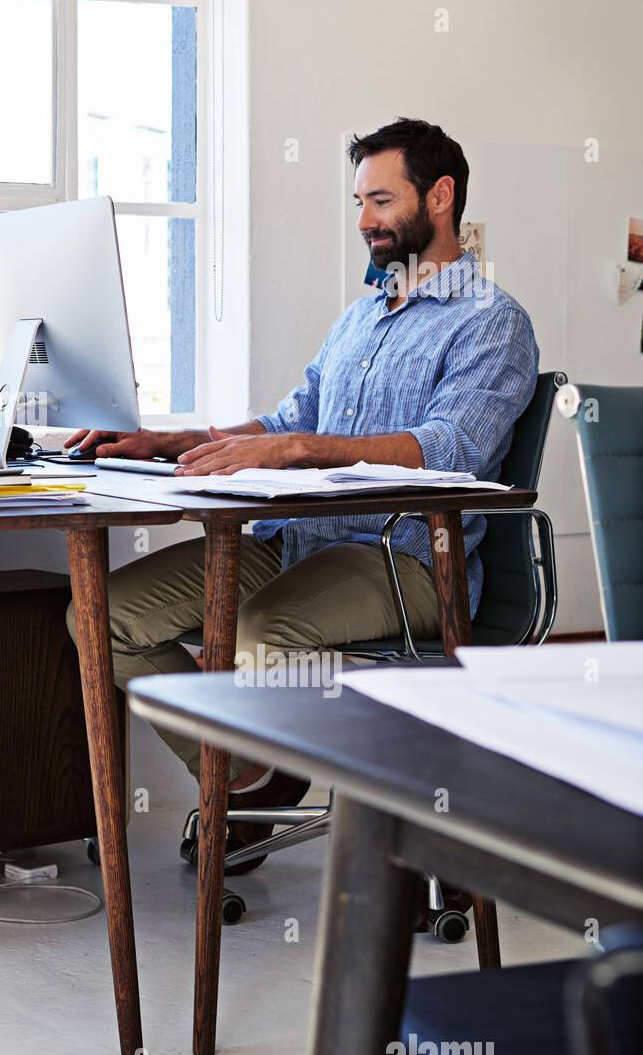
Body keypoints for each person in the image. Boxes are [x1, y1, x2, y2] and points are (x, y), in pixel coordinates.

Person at [65, 117, 539, 869]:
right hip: (299, 544)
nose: (364, 222)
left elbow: (454, 450)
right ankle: (249, 773)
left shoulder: (492, 322)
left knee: (260, 632)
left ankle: (314, 813)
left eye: (381, 201)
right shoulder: (361, 317)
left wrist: (297, 447)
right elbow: (292, 420)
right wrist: (177, 440)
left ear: (440, 196)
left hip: (403, 560)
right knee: (104, 614)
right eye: (358, 203)